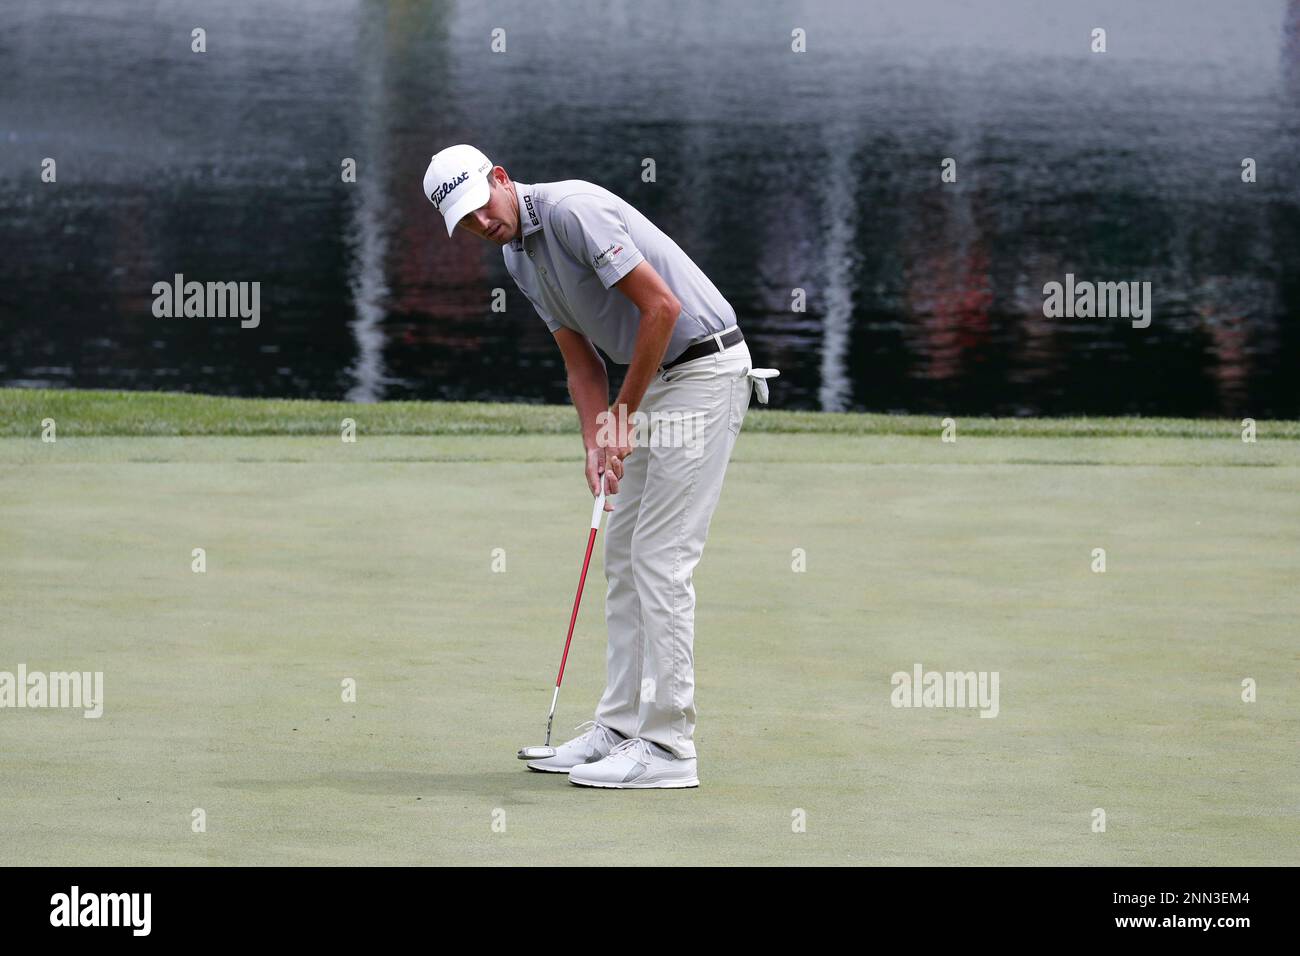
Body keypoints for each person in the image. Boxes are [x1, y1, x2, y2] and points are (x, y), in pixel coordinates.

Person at [423, 144, 777, 788]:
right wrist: (596, 440)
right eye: (465, 222)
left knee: (661, 558)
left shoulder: (570, 211)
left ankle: (669, 748)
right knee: (623, 553)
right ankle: (618, 727)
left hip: (703, 368)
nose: (481, 224)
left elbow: (662, 308)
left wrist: (623, 414)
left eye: (481, 207)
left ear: (500, 179)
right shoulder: (516, 256)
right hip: (663, 374)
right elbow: (580, 359)